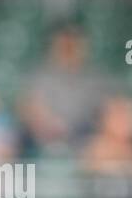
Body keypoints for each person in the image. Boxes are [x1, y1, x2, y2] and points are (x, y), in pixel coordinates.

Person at [17, 22, 118, 155]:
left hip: (85, 137)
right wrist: (48, 124)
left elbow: (109, 112)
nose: (69, 48)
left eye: (74, 44)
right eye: (64, 44)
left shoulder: (97, 79)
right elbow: (28, 108)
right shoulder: (39, 76)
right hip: (42, 137)